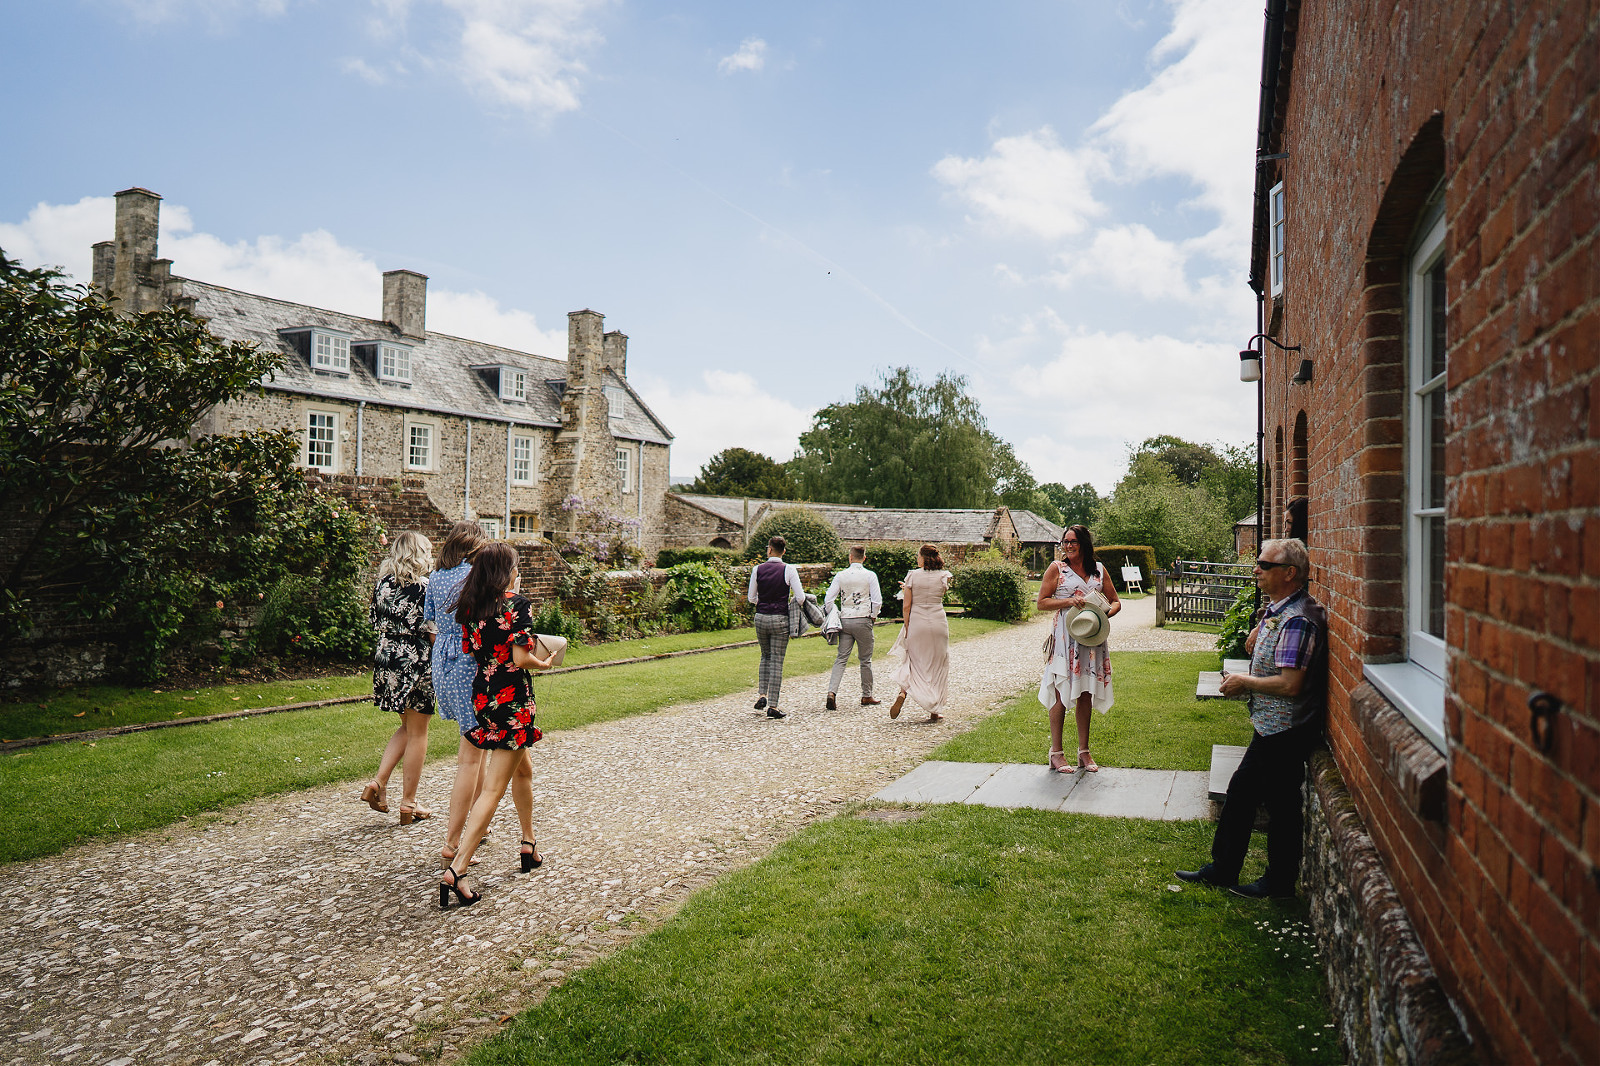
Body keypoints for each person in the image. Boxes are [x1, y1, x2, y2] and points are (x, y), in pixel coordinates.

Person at [1177, 538, 1327, 899]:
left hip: (1285, 729)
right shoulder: (1283, 609)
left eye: (1265, 565)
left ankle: (1267, 881)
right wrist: (1263, 623)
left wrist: (1246, 681)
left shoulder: (1297, 621)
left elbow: (1291, 685)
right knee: (1258, 797)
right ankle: (1235, 871)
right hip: (1273, 725)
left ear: (1289, 574)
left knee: (1269, 801)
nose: (1256, 569)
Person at [438, 543, 554, 908]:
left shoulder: (471, 605)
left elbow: (476, 652)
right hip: (513, 702)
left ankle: (528, 842)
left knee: (523, 771)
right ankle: (457, 869)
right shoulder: (516, 605)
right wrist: (544, 661)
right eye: (516, 567)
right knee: (493, 789)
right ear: (506, 571)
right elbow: (521, 657)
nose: (519, 572)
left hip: (485, 698)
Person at [423, 520, 490, 866]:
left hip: (444, 662)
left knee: (473, 747)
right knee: (471, 757)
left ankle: (478, 825)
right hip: (470, 661)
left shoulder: (435, 578)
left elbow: (430, 624)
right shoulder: (474, 576)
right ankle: (454, 843)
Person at [362, 531, 436, 824]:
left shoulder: (382, 585)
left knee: (406, 727)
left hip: (387, 659)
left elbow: (373, 620)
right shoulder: (425, 588)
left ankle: (378, 783)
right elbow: (432, 631)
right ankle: (409, 803)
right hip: (415, 660)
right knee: (418, 731)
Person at [1037, 524, 1122, 773]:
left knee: (1086, 691)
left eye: (1073, 542)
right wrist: (1068, 601)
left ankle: (1084, 752)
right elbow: (1041, 602)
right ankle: (1056, 753)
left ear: (1084, 544)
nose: (1068, 546)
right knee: (1061, 690)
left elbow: (1115, 601)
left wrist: (1104, 617)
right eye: (1065, 542)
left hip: (1091, 638)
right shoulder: (1057, 569)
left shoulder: (1099, 571)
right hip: (1065, 639)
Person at [887, 544, 953, 723]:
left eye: (918, 555)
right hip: (938, 623)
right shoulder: (945, 576)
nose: (917, 558)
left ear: (924, 557)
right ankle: (935, 711)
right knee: (938, 664)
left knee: (913, 661)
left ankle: (903, 692)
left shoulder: (912, 575)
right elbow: (937, 594)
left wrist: (908, 626)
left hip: (918, 622)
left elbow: (907, 605)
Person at [747, 535, 804, 720]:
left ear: (769, 549)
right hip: (780, 618)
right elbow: (801, 597)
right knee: (777, 661)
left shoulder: (758, 569)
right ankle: (773, 705)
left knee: (765, 656)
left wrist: (761, 603)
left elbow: (751, 598)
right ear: (784, 551)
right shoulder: (789, 569)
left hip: (761, 617)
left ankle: (762, 694)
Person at [823, 545, 883, 710]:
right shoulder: (870, 575)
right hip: (863, 618)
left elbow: (829, 599)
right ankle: (867, 695)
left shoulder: (841, 575)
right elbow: (877, 601)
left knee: (841, 659)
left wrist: (833, 614)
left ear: (850, 557)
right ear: (864, 558)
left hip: (846, 620)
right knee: (865, 660)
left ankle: (832, 692)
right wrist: (873, 616)